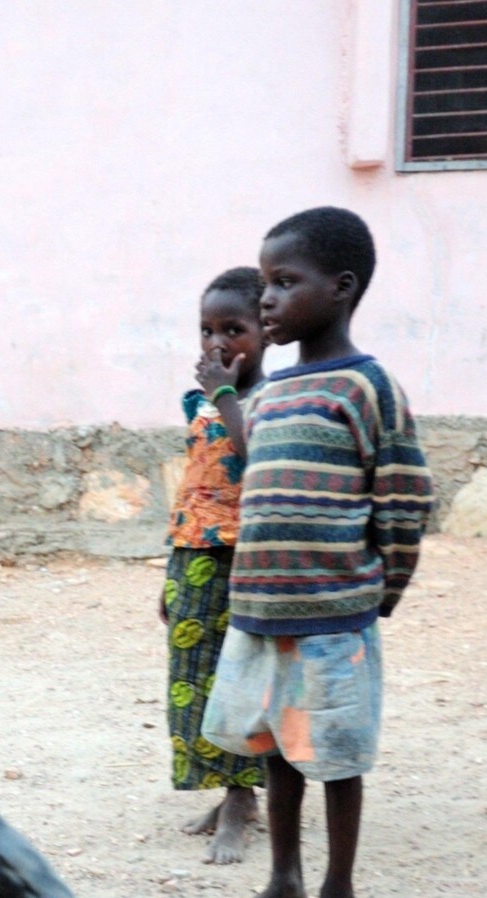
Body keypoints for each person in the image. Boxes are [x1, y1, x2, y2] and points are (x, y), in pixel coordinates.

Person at [199, 207, 432, 898]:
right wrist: (227, 396)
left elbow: (403, 495)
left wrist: (381, 590)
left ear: (341, 288)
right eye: (263, 283)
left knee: (335, 753)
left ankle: (338, 893)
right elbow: (253, 459)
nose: (265, 299)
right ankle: (284, 881)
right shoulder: (273, 390)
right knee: (275, 745)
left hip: (336, 614)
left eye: (283, 282)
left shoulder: (368, 387)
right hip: (264, 609)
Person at [164, 267, 271, 864]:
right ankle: (220, 788)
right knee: (191, 681)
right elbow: (194, 485)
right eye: (207, 330)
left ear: (268, 333)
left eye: (233, 329)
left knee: (238, 682)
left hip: (243, 557)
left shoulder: (265, 399)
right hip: (194, 553)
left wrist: (226, 395)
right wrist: (169, 568)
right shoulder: (202, 402)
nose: (217, 343)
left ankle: (242, 797)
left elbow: (257, 454)